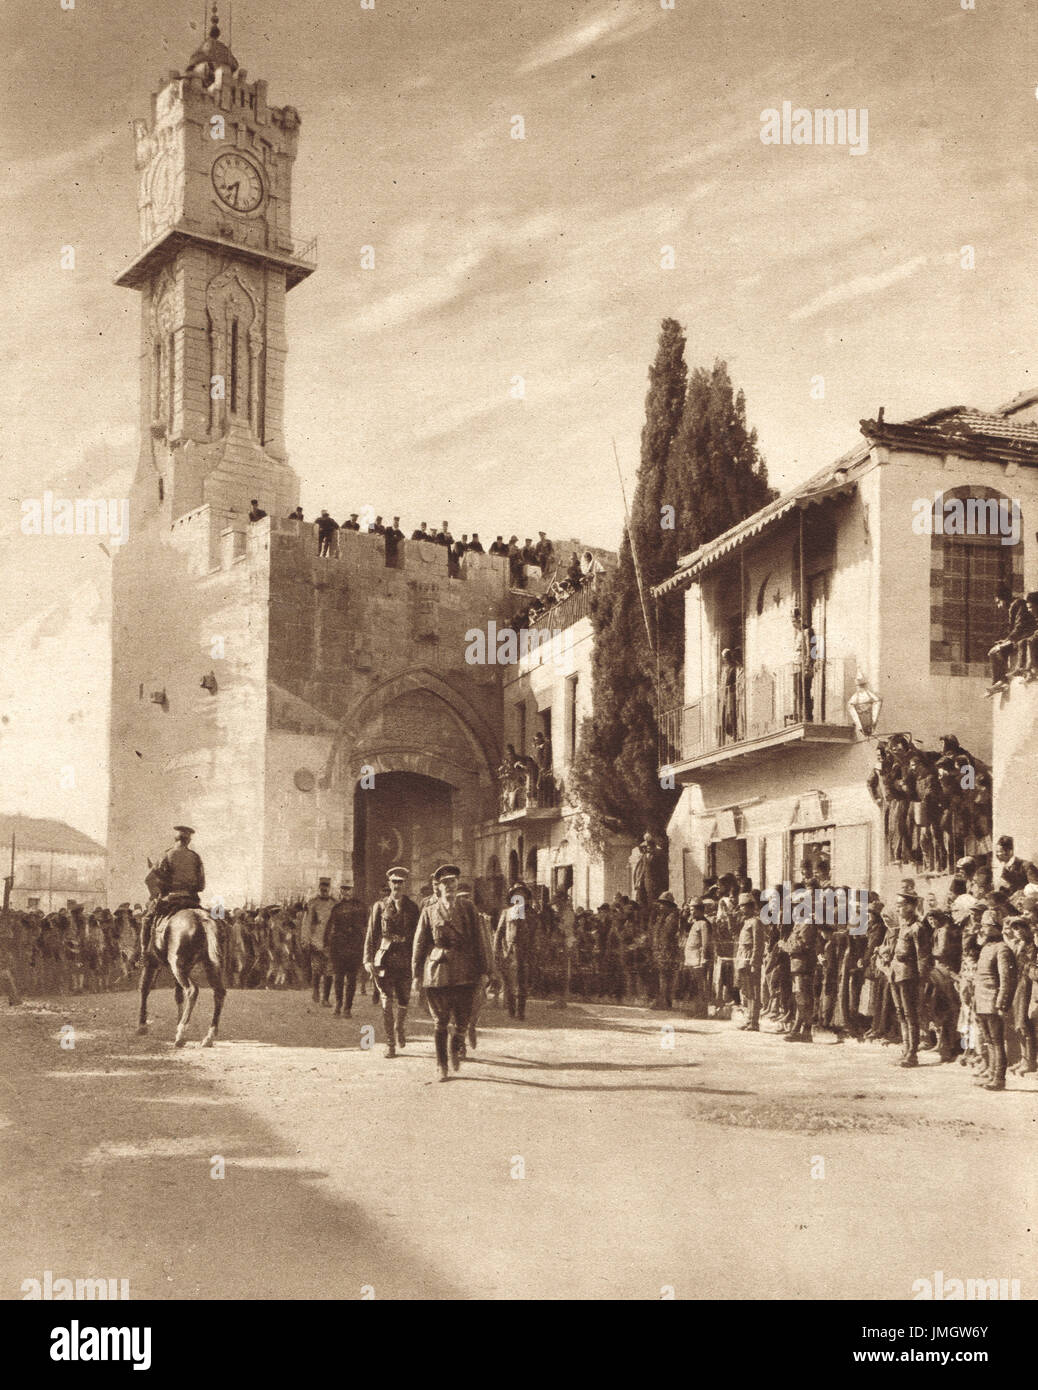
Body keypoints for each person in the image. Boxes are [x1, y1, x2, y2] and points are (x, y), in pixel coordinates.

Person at [413, 864, 488, 1081]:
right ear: (438, 886)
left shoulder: (468, 909)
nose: (450, 886)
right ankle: (441, 1065)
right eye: (445, 883)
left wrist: (484, 970)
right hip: (439, 971)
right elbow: (419, 944)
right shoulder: (429, 911)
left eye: (453, 882)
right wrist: (417, 975)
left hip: (466, 971)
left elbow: (479, 940)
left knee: (462, 1020)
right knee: (440, 1022)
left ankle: (456, 1047)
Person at [364, 867, 420, 1056]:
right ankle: (390, 1044)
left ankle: (399, 1027)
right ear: (389, 884)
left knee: (403, 1000)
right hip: (385, 960)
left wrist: (417, 961)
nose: (397, 886)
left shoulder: (412, 907)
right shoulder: (379, 906)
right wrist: (367, 959)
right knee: (386, 1002)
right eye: (394, 882)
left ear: (405, 885)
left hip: (404, 959)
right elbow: (371, 934)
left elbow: (418, 937)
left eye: (400, 882)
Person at [140, 824, 205, 961]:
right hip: (192, 900)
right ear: (189, 841)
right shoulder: (196, 857)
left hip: (171, 899)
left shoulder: (167, 855)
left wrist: (157, 893)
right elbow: (201, 885)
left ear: (176, 838)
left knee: (146, 920)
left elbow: (152, 880)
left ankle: (144, 955)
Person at [889, 883, 932, 1068]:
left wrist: (922, 979)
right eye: (897, 905)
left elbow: (922, 956)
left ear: (910, 906)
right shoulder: (903, 925)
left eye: (900, 905)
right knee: (901, 1013)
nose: (898, 908)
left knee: (910, 1013)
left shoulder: (917, 927)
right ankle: (906, 1048)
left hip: (909, 974)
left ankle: (912, 1053)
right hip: (896, 972)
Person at [973, 910, 1016, 1090]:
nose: (983, 929)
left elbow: (1006, 978)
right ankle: (991, 1073)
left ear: (996, 928)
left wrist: (1001, 1002)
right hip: (981, 999)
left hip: (992, 1000)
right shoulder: (986, 947)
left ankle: (999, 1078)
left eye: (986, 926)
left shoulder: (1002, 949)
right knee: (989, 1040)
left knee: (997, 1041)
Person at [322, 881, 366, 1017]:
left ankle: (347, 1007)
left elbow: (365, 926)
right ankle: (338, 1004)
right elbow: (330, 926)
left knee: (352, 978)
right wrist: (326, 943)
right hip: (338, 947)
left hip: (354, 946)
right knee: (339, 978)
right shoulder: (337, 908)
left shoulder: (360, 906)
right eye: (343, 889)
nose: (346, 892)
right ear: (340, 891)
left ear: (353, 891)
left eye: (349, 889)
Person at [494, 882, 534, 1020]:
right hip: (509, 951)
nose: (519, 897)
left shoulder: (530, 914)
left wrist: (535, 950)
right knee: (509, 982)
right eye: (516, 895)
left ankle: (521, 1012)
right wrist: (496, 951)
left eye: (522, 895)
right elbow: (499, 933)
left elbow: (535, 933)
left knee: (522, 982)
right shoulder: (506, 913)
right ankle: (511, 1010)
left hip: (524, 951)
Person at [780, 913, 817, 1042]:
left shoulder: (807, 925)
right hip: (797, 966)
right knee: (800, 997)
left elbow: (800, 946)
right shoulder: (799, 924)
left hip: (803, 966)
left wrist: (784, 946)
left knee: (803, 998)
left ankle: (800, 1030)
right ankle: (803, 1030)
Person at [734, 892, 765, 1030]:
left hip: (750, 959)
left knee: (754, 990)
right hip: (742, 958)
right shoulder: (746, 922)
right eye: (741, 906)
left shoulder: (756, 922)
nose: (742, 909)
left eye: (744, 906)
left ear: (751, 907)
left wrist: (754, 963)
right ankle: (749, 1019)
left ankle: (754, 1021)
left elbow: (758, 944)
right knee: (746, 991)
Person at [303, 876, 336, 1004]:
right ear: (319, 887)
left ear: (330, 887)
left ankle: (325, 998)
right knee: (316, 968)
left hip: (330, 941)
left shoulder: (335, 903)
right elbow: (307, 923)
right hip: (316, 940)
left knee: (329, 970)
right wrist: (306, 940)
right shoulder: (312, 903)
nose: (324, 888)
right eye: (322, 886)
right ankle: (316, 990)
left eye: (326, 886)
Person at [649, 891, 681, 1009]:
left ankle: (665, 1001)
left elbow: (667, 934)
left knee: (666, 976)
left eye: (663, 904)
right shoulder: (662, 917)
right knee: (663, 976)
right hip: (661, 951)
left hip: (668, 951)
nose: (660, 906)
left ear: (669, 905)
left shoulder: (671, 917)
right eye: (660, 904)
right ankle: (663, 1000)